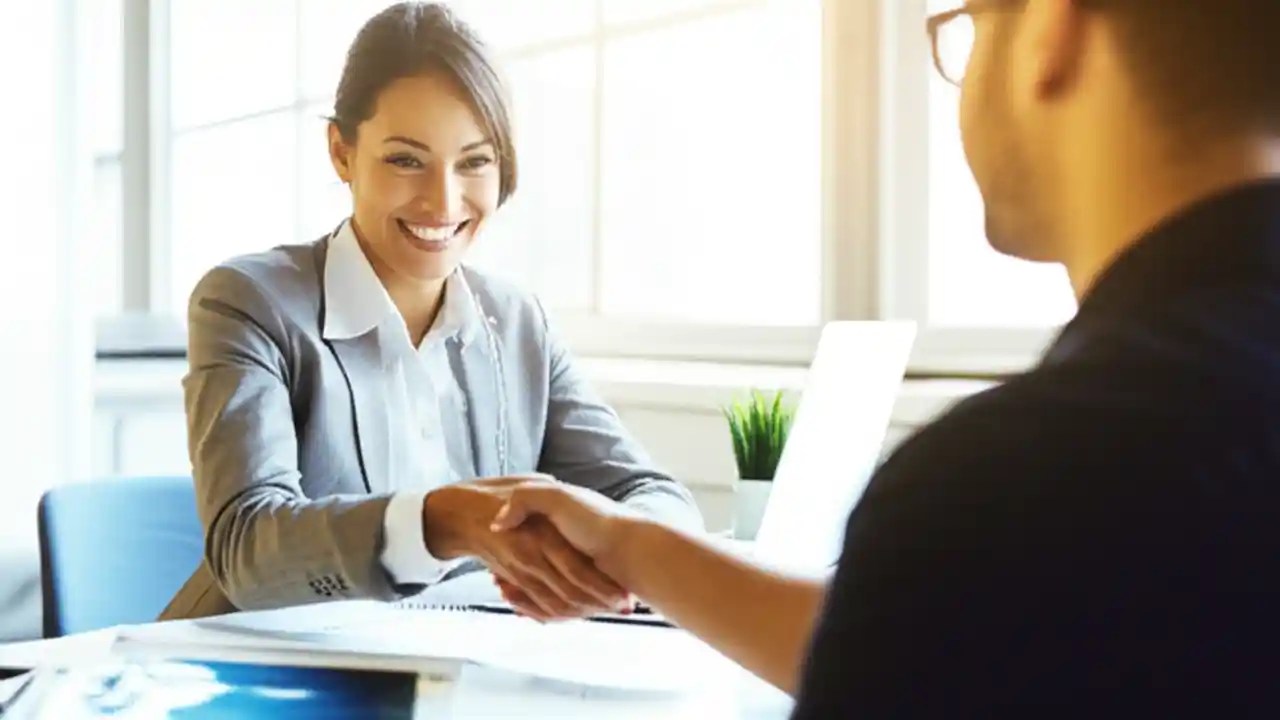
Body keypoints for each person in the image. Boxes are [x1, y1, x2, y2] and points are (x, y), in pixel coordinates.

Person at [489, 0, 1280, 715]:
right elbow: (958, 639)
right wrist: (632, 545)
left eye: (966, 26)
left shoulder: (1019, 487)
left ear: (1052, 26)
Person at [160, 2, 701, 623]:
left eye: (474, 162)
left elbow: (654, 496)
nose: (443, 201)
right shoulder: (249, 302)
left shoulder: (517, 321)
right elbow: (248, 550)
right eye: (405, 160)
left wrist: (619, 548)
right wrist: (439, 523)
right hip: (248, 669)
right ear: (341, 152)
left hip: (452, 670)